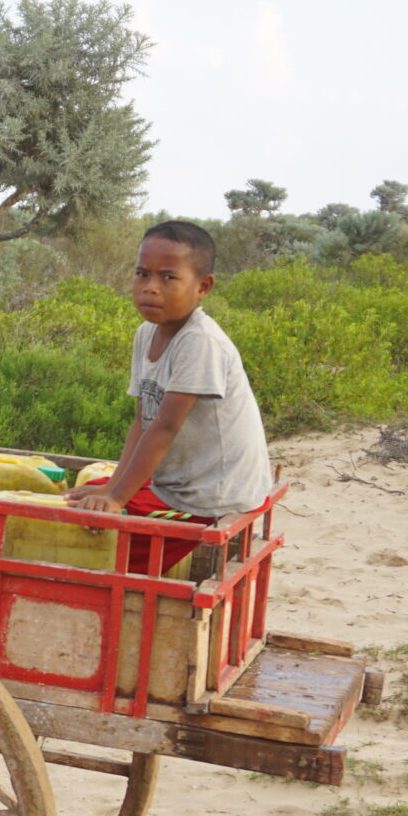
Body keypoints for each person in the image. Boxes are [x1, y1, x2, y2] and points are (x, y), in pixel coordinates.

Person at [64, 220, 274, 575]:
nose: (150, 288)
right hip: (180, 481)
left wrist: (117, 499)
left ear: (203, 287)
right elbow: (142, 421)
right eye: (142, 274)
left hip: (213, 496)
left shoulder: (200, 341)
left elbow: (165, 427)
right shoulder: (147, 334)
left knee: (100, 548)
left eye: (167, 277)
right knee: (84, 496)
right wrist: (112, 488)